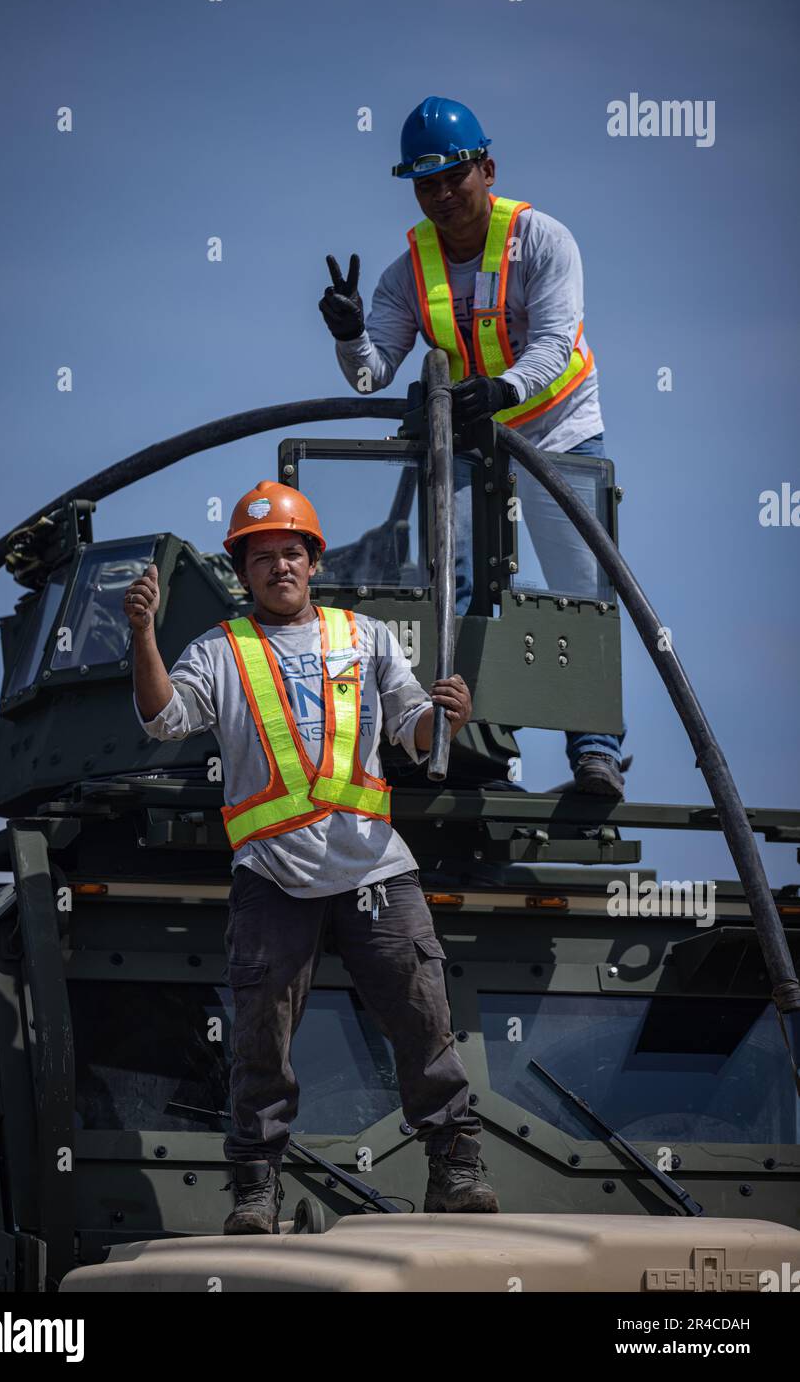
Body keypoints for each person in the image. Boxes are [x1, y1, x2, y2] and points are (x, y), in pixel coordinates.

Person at [124, 480, 499, 1232]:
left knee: (424, 1021)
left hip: (374, 870)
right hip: (271, 876)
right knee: (261, 1040)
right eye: (261, 558)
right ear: (243, 573)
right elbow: (164, 719)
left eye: (290, 552)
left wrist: (445, 719)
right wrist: (142, 637)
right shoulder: (219, 651)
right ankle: (255, 1190)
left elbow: (412, 729)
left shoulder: (363, 637)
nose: (279, 567)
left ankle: (456, 1168)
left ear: (313, 561)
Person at [319, 95, 626, 798]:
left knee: (584, 593)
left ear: (486, 170)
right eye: (426, 184)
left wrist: (500, 390)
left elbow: (553, 345)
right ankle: (464, 741)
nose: (441, 195)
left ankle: (594, 754)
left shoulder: (543, 241)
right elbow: (372, 376)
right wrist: (347, 334)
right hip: (467, 444)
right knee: (449, 585)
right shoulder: (408, 273)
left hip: (560, 434)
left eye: (454, 177)